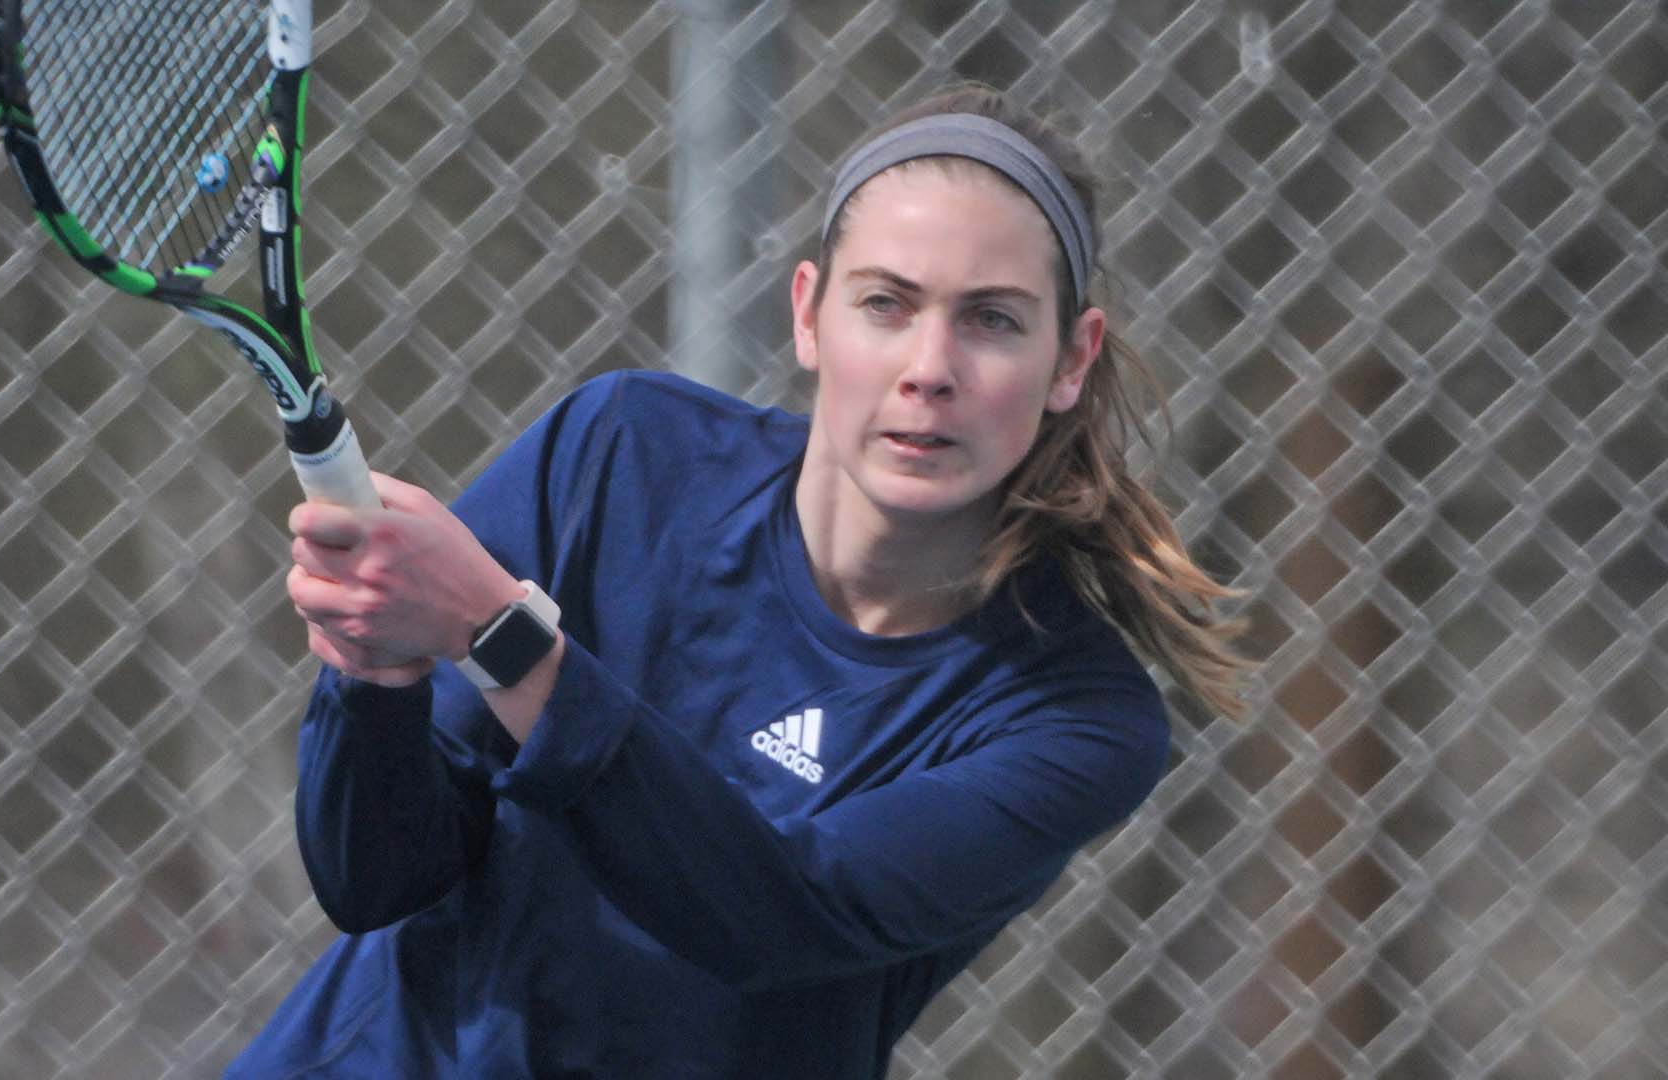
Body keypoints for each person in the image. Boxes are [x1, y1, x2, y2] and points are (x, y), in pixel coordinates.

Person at [227, 83, 1248, 1079]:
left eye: (991, 320)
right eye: (887, 304)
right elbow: (376, 879)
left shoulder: (1078, 718)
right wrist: (378, 673)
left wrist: (500, 635)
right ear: (810, 316)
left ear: (1072, 358)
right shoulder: (624, 451)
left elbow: (783, 914)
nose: (929, 367)